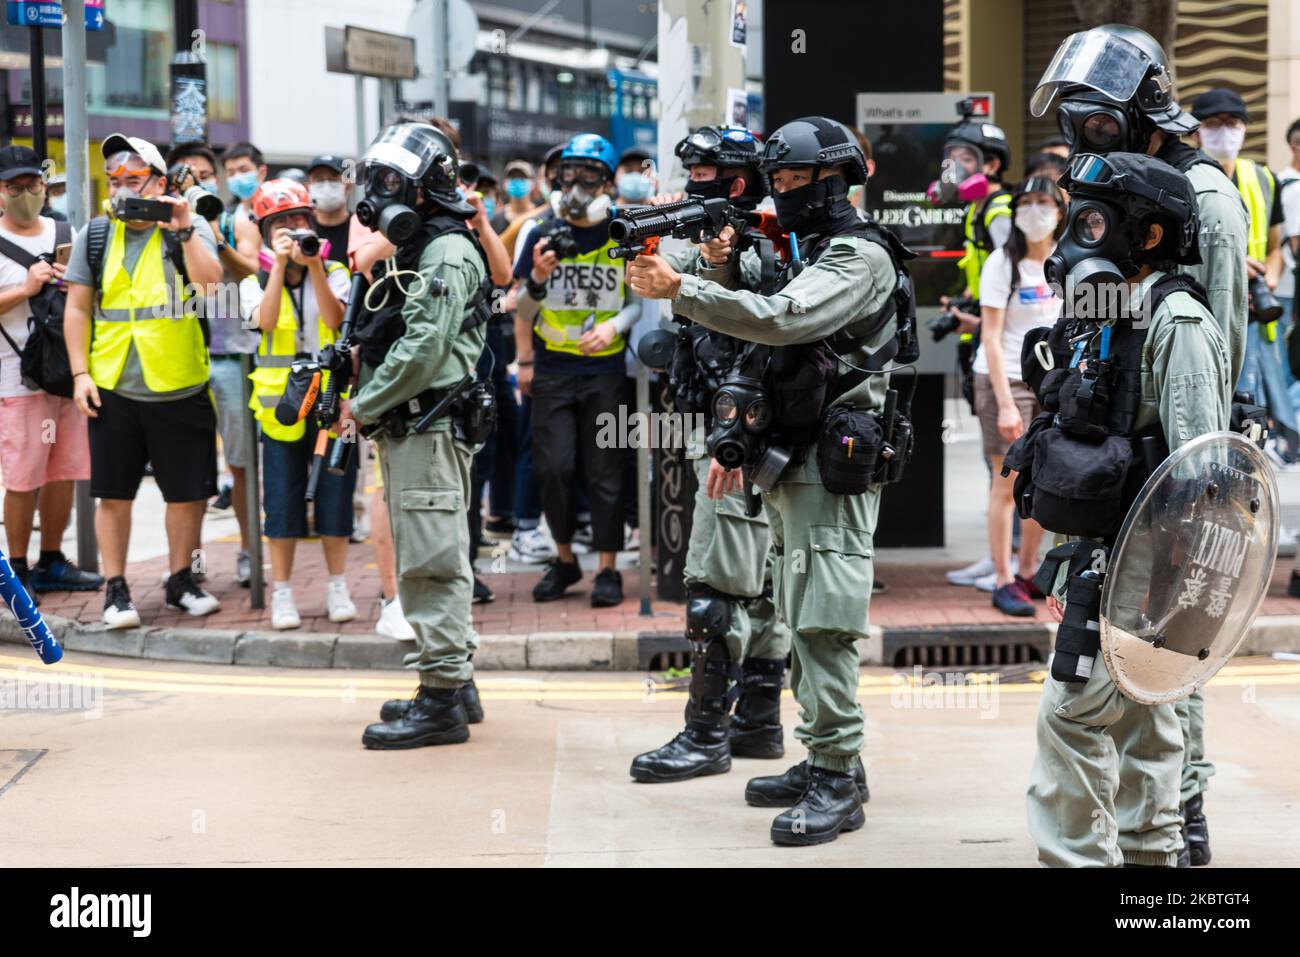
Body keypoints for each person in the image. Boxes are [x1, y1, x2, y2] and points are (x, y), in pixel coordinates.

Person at [628, 116, 914, 846]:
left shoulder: (859, 256)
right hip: (794, 456)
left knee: (823, 623)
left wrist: (685, 287)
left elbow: (784, 319)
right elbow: (763, 321)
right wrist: (722, 264)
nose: (778, 193)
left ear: (830, 182)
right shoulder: (811, 247)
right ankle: (822, 756)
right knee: (794, 606)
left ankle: (836, 778)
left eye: (789, 181)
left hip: (834, 462)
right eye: (775, 180)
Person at [1031, 25, 1252, 867]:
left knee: (1161, 644)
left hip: (1170, 452)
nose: (1080, 138)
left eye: (1095, 123)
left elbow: (1210, 341)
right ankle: (1150, 828)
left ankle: (1177, 809)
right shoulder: (1115, 189)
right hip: (1114, 445)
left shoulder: (1202, 198)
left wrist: (1195, 474)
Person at [629, 126, 793, 784]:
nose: (691, 182)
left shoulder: (765, 241)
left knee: (716, 589)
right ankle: (757, 721)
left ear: (732, 181)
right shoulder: (743, 233)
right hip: (739, 431)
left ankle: (704, 733)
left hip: (740, 437)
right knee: (761, 587)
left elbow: (757, 332)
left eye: (704, 175)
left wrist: (736, 438)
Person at [349, 121, 493, 748]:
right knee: (437, 553)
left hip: (427, 424)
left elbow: (425, 348)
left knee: (431, 564)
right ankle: (454, 683)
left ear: (427, 187)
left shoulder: (444, 251)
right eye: (376, 181)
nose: (378, 196)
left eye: (391, 184)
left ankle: (439, 702)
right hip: (420, 425)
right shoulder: (425, 247)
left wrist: (362, 405)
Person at [63, 134, 223, 627]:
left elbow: (211, 288)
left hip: (179, 382)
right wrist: (80, 374)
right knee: (113, 495)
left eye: (134, 180)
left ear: (159, 183)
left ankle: (180, 580)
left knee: (187, 494)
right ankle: (116, 589)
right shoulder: (95, 235)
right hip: (113, 386)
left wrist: (186, 229)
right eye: (114, 181)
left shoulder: (186, 228)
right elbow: (77, 308)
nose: (122, 190)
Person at [513, 133, 644, 607]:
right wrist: (539, 280)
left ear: (607, 181)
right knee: (553, 466)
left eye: (590, 174)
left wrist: (613, 330)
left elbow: (635, 303)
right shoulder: (537, 231)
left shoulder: (621, 229)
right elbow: (520, 308)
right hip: (551, 369)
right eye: (570, 172)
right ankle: (565, 559)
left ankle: (607, 567)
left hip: (605, 370)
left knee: (605, 470)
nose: (578, 183)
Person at [240, 179, 356, 630]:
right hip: (280, 408)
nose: (292, 228)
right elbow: (264, 322)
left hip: (332, 403)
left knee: (335, 493)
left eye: (299, 220)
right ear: (265, 230)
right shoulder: (251, 281)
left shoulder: (337, 271)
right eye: (280, 223)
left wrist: (314, 268)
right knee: (282, 500)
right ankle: (282, 592)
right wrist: (277, 268)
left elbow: (335, 320)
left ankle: (337, 585)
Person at [0, 145, 102, 598]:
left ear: (45, 186)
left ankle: (53, 561)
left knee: (65, 472)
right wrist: (26, 288)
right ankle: (16, 570)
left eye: (32, 185)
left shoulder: (67, 232)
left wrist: (73, 281)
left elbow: (92, 297)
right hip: (16, 377)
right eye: (14, 187)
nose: (25, 194)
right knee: (24, 477)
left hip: (66, 371)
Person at [167, 141, 260, 585]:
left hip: (232, 359)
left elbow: (250, 271)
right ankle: (192, 565)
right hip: (186, 357)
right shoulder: (161, 224)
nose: (197, 182)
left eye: (204, 174)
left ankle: (248, 554)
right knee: (193, 468)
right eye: (187, 175)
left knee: (240, 465)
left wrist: (214, 237)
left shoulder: (232, 218)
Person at [1190, 88, 1297, 463]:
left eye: (1232, 123)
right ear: (1196, 130)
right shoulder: (1185, 176)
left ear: (1245, 129)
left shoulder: (1263, 177)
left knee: (1250, 402)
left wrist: (1267, 277)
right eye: (1213, 124)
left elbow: (1275, 245)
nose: (1224, 131)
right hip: (1204, 305)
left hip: (1252, 314)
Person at [974, 176, 1064, 617]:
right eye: (1025, 202)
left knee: (1044, 482)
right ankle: (1003, 578)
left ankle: (1029, 570)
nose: (1033, 210)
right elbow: (990, 337)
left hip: (1052, 384)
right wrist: (1006, 403)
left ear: (1060, 210)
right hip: (1005, 379)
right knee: (1006, 483)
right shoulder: (1002, 263)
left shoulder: (1068, 262)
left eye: (1042, 201)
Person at [937, 111, 1014, 590]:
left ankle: (1004, 561)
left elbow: (1019, 281)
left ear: (989, 164)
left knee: (1002, 460)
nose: (954, 167)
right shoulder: (977, 210)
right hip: (980, 341)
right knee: (993, 458)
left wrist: (980, 319)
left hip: (999, 347)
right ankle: (995, 555)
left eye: (964, 157)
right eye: (951, 157)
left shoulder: (1000, 211)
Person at [305, 154, 353, 267]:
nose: (326, 187)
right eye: (319, 180)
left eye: (333, 179)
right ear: (308, 187)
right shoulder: (304, 228)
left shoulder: (361, 228)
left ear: (348, 186)